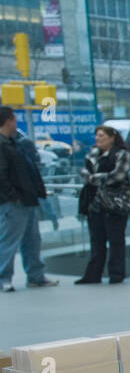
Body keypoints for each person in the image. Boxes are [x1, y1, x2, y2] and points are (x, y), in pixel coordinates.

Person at [0, 106, 58, 291]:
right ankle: (4, 278)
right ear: (8, 120)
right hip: (15, 201)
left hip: (27, 198)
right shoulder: (4, 145)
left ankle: (35, 275)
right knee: (9, 240)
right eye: (14, 119)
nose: (16, 123)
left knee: (32, 239)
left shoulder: (15, 142)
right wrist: (12, 195)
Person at [77, 125, 130, 284]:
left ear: (111, 137)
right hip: (94, 203)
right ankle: (93, 274)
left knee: (116, 239)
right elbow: (82, 172)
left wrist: (93, 178)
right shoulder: (92, 154)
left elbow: (117, 175)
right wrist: (95, 178)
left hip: (115, 204)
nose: (98, 139)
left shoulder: (121, 154)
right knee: (96, 240)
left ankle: (116, 274)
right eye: (97, 136)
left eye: (101, 136)